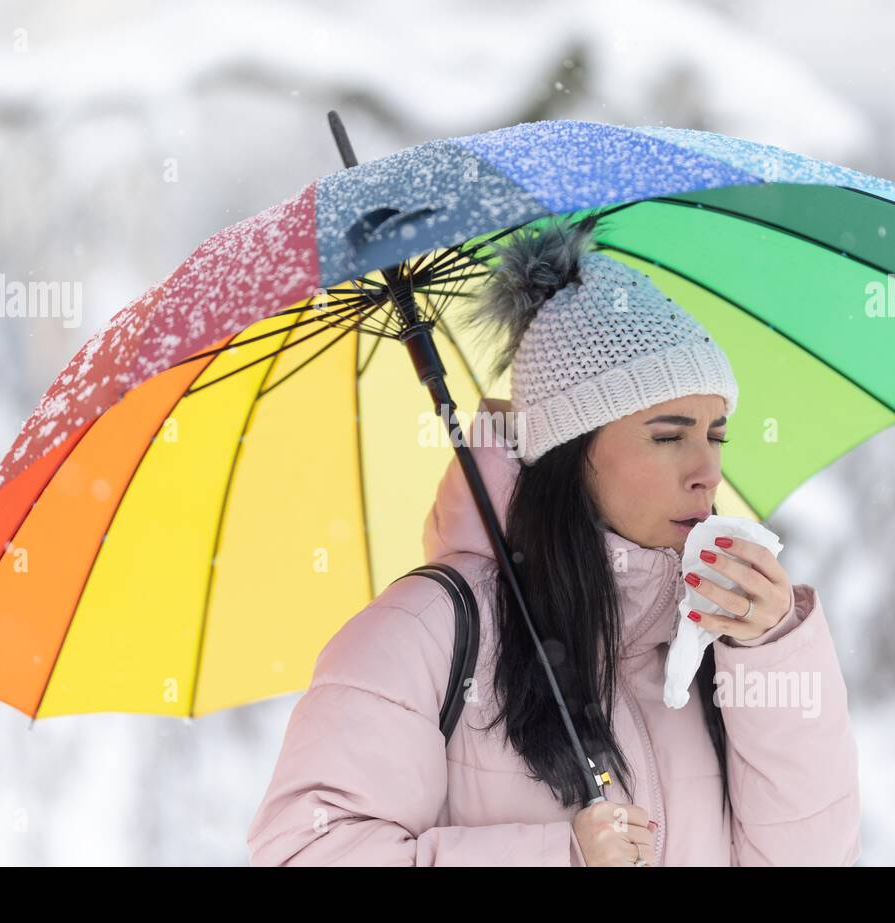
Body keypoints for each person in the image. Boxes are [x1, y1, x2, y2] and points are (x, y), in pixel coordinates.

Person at [245, 214, 860, 866]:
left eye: (715, 436)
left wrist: (766, 649)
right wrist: (556, 857)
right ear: (569, 449)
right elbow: (307, 853)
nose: (707, 472)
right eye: (669, 434)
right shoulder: (424, 632)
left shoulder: (700, 637)